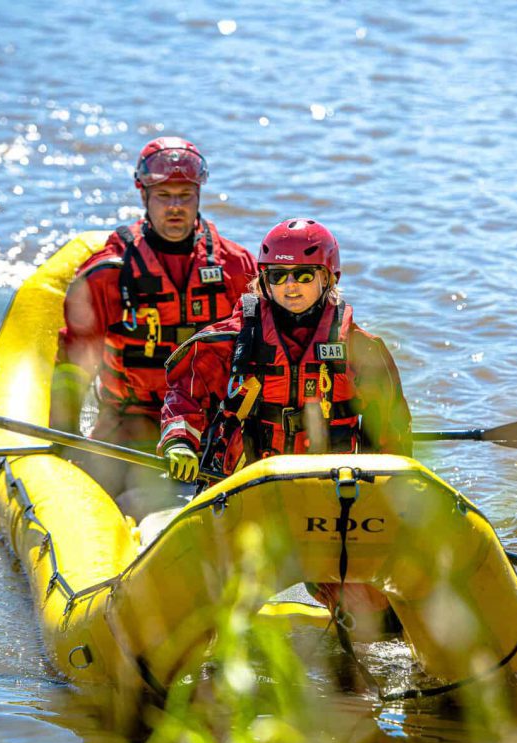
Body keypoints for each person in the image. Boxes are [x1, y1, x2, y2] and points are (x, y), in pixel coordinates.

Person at [158, 218, 412, 632]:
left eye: (304, 275)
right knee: (204, 601)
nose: (290, 286)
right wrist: (180, 442)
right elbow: (184, 395)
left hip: (331, 497)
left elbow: (393, 428)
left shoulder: (360, 349)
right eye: (278, 276)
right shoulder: (229, 341)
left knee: (374, 615)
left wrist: (389, 499)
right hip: (248, 489)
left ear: (328, 279)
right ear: (264, 279)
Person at [51, 136, 257, 508]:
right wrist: (63, 442)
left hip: (208, 426)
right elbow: (74, 362)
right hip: (130, 426)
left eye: (185, 196)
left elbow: (262, 348)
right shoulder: (108, 274)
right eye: (164, 196)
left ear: (198, 196)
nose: (175, 208)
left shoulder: (234, 266)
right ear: (144, 195)